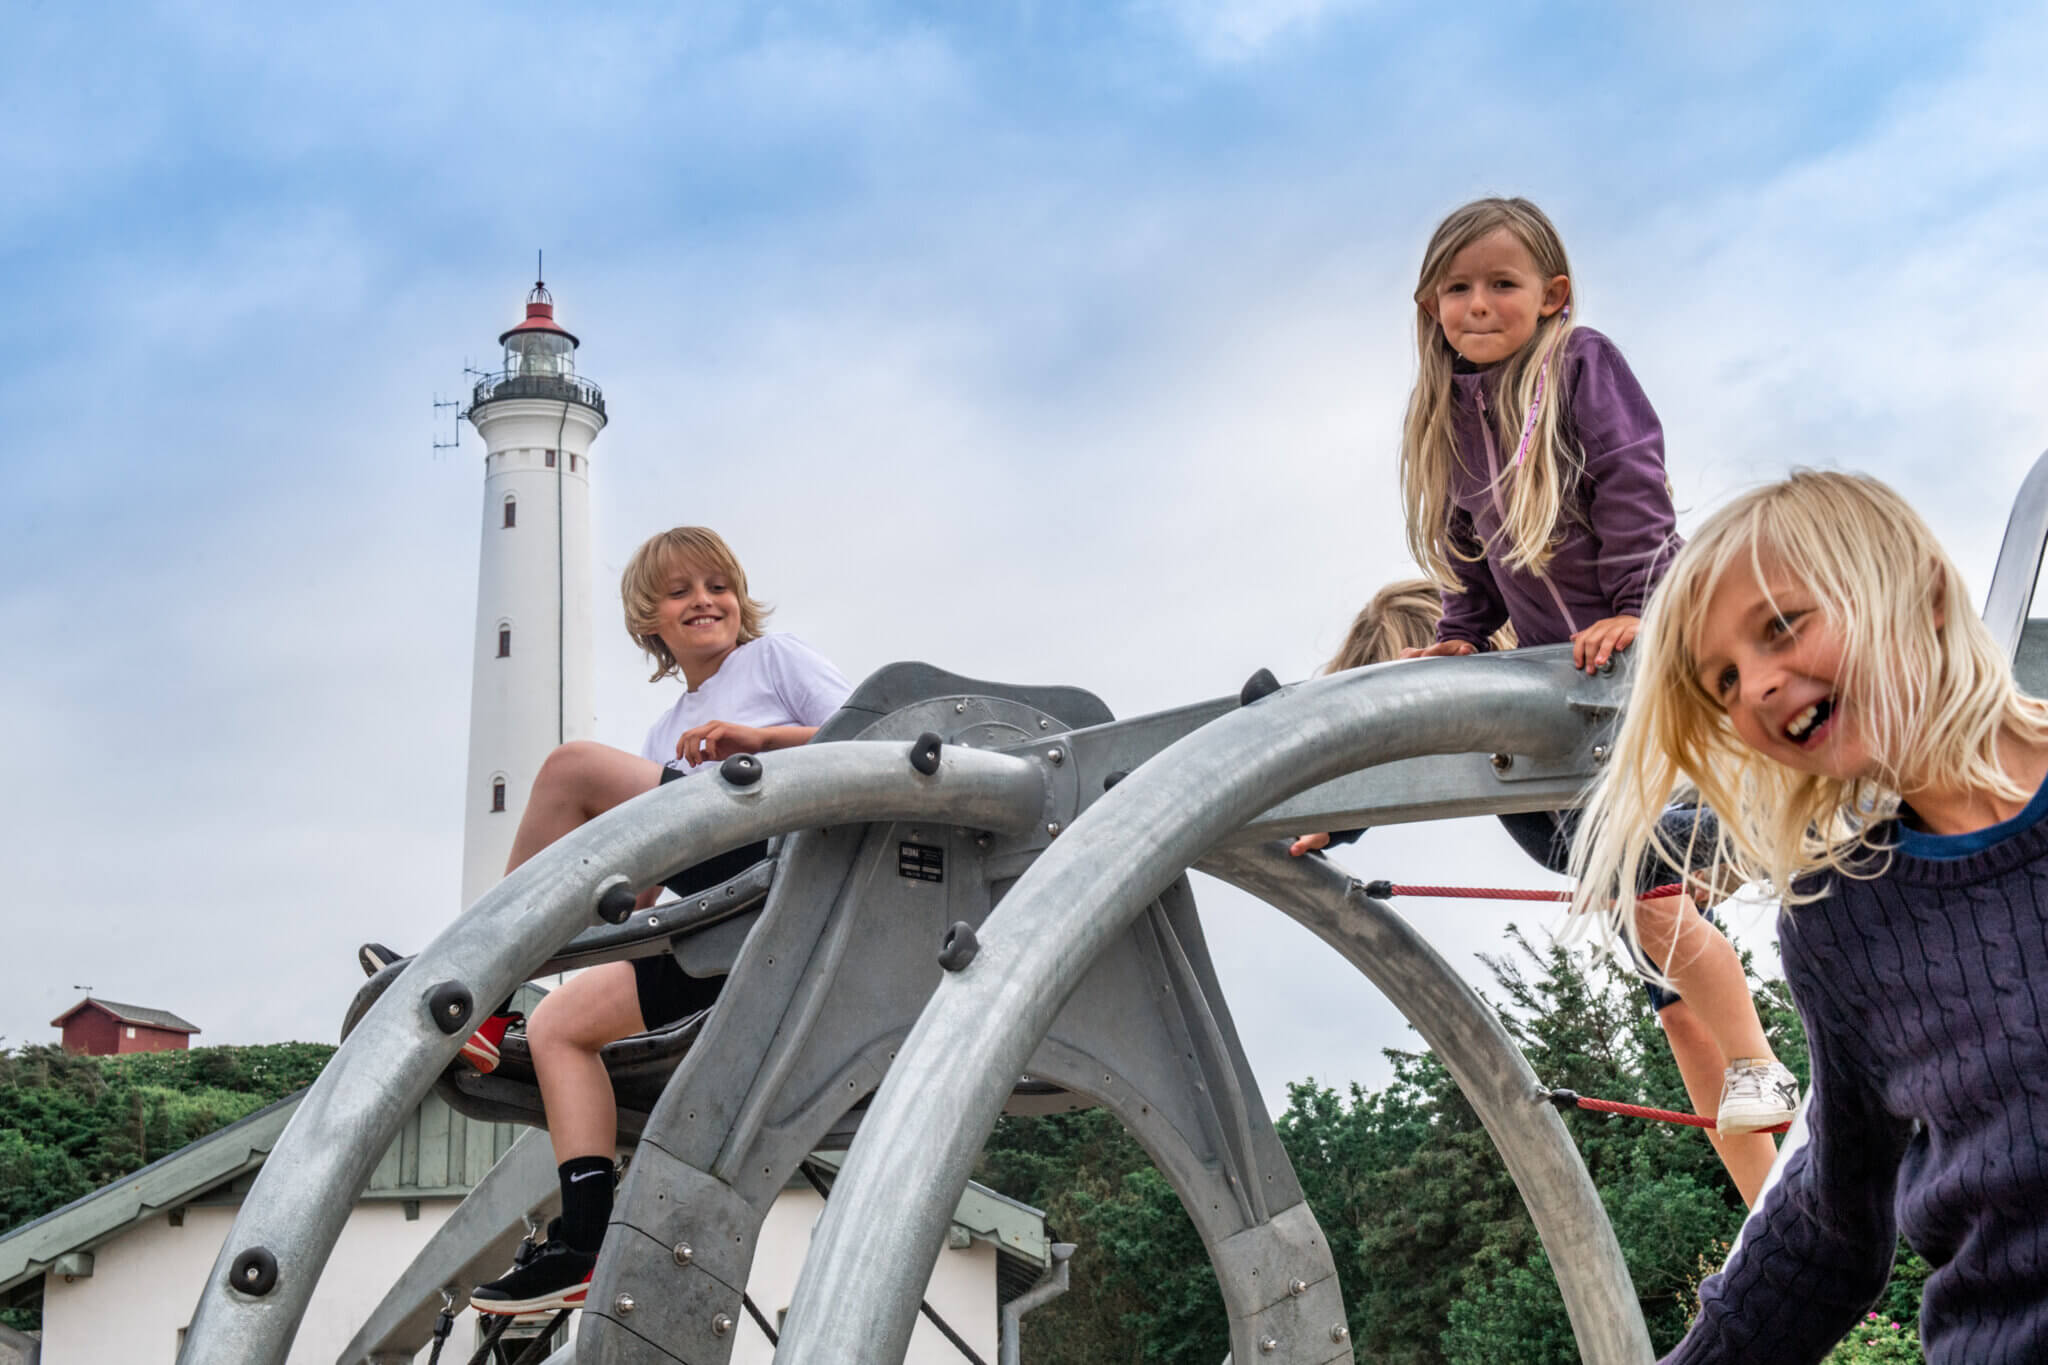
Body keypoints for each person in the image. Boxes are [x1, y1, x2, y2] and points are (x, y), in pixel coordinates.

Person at [1571, 469, 2048, 1364]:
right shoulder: (1844, 919)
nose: (1754, 685)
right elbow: (1830, 1221)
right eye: (1722, 681)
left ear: (1927, 596)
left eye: (1782, 627)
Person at [1391, 196, 1794, 1204]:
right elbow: (1466, 536)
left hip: (1639, 653)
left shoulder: (1576, 364)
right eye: (1457, 288)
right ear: (1430, 303)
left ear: (1549, 296)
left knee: (1651, 889)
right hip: (1555, 677)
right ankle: (1763, 1200)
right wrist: (1460, 621)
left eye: (1501, 284)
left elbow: (1626, 482)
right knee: (1662, 982)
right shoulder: (1451, 410)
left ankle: (1757, 1063)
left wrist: (1633, 609)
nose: (1478, 303)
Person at [465, 526, 852, 1315]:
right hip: (716, 916)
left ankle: (483, 979)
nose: (704, 601)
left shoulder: (774, 662)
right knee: (561, 1026)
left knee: (570, 767)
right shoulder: (664, 728)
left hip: (777, 865)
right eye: (680, 592)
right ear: (652, 622)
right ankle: (583, 1240)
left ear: (741, 601)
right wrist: (620, 899)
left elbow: (868, 742)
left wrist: (762, 741)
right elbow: (643, 883)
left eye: (718, 585)